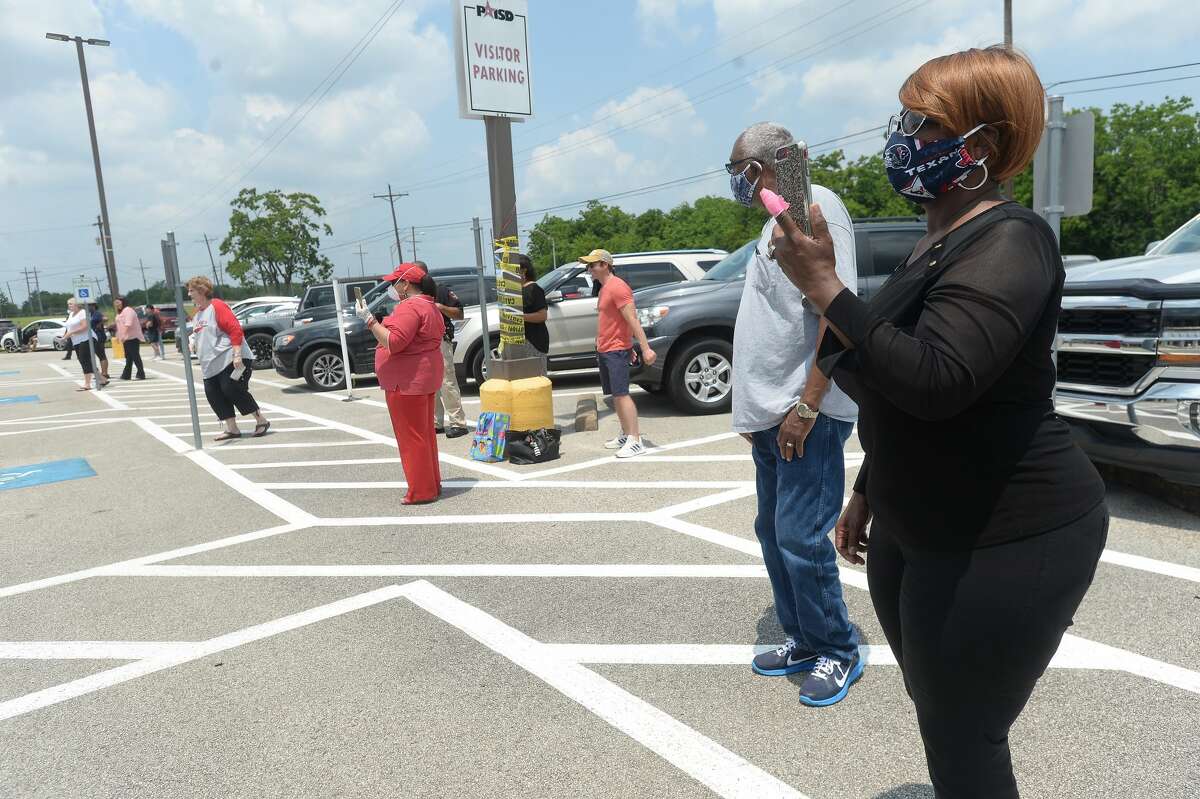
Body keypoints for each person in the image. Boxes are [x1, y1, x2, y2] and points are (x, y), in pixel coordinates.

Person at [770, 46, 1108, 798]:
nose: (902, 136)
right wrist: (871, 485)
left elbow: (938, 380)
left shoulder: (1013, 240)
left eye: (922, 123)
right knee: (944, 712)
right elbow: (894, 370)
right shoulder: (936, 238)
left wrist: (825, 285)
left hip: (1012, 530)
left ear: (980, 146)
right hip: (917, 522)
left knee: (964, 738)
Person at [726, 122, 863, 707]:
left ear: (769, 163)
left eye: (740, 168)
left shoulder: (814, 209)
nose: (735, 180)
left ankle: (837, 648)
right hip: (771, 415)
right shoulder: (774, 219)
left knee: (800, 537)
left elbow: (839, 314)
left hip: (802, 411)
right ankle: (804, 638)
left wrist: (808, 403)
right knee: (773, 532)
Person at [356, 263, 444, 505]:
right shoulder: (428, 305)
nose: (392, 287)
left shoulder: (410, 307)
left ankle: (421, 490)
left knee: (411, 438)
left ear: (406, 284)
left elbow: (395, 342)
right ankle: (431, 483)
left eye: (395, 282)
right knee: (424, 435)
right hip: (421, 378)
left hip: (406, 381)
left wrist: (370, 321)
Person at [578, 248, 657, 458]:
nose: (589, 269)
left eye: (592, 265)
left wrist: (645, 348)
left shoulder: (618, 287)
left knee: (622, 394)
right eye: (588, 266)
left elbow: (632, 319)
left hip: (616, 350)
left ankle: (635, 440)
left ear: (605, 265)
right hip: (606, 349)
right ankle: (625, 434)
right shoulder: (605, 288)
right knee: (616, 395)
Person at [186, 276, 270, 441]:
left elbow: (235, 330)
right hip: (210, 364)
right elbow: (196, 334)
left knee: (231, 388)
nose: (189, 294)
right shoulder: (197, 313)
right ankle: (232, 429)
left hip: (230, 358)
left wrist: (237, 354)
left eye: (191, 290)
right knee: (213, 394)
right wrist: (192, 342)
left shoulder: (217, 306)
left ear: (202, 291)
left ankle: (261, 420)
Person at [419, 260, 469, 439]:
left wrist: (440, 307)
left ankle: (458, 423)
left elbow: (459, 312)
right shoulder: (413, 295)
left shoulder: (439, 291)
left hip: (441, 339)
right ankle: (435, 423)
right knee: (429, 383)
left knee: (446, 381)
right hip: (422, 343)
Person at [515, 253, 549, 355]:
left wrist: (519, 317)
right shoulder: (517, 290)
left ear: (523, 270)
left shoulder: (534, 289)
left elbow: (542, 316)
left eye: (513, 269)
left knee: (536, 371)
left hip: (534, 342)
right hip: (520, 342)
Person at [63, 297, 101, 390]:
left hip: (87, 339)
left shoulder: (83, 312)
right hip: (76, 341)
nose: (69, 306)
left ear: (77, 304)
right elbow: (69, 328)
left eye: (71, 304)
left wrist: (72, 333)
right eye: (68, 304)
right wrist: (64, 337)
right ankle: (102, 379)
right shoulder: (71, 314)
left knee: (84, 360)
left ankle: (87, 384)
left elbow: (85, 326)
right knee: (84, 361)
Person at [113, 296, 146, 380]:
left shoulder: (128, 310)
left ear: (123, 302)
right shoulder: (120, 312)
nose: (116, 304)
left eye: (118, 302)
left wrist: (123, 335)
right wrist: (118, 335)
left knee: (135, 355)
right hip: (126, 338)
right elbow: (119, 325)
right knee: (129, 356)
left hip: (132, 337)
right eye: (115, 303)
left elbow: (128, 324)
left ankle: (141, 373)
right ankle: (126, 374)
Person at [87, 303, 110, 382]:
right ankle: (103, 373)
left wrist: (100, 324)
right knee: (98, 354)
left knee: (101, 354)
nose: (88, 307)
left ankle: (104, 373)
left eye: (89, 305)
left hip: (99, 336)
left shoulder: (97, 313)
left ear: (93, 306)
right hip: (94, 337)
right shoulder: (90, 314)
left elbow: (105, 318)